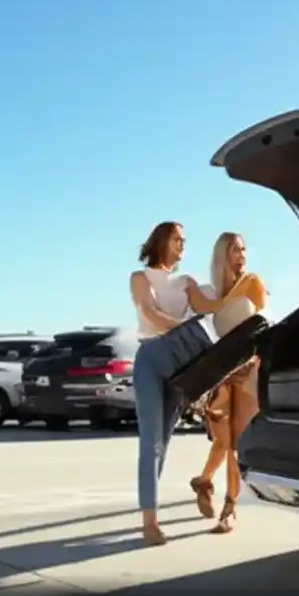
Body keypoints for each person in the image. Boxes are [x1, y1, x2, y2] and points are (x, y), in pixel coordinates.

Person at [185, 232, 268, 534]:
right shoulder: (211, 293)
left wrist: (203, 300)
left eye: (244, 249)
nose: (241, 255)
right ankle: (204, 481)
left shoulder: (252, 283)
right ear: (222, 255)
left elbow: (257, 320)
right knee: (223, 439)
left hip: (248, 369)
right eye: (234, 250)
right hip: (219, 372)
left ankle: (229, 506)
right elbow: (208, 316)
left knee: (235, 443)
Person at [129, 220, 204, 547]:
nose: (182, 244)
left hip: (180, 365)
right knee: (150, 443)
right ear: (162, 241)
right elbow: (150, 312)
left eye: (185, 240)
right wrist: (186, 330)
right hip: (150, 357)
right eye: (177, 239)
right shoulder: (140, 277)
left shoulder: (188, 281)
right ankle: (150, 521)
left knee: (164, 443)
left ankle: (150, 510)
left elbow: (209, 313)